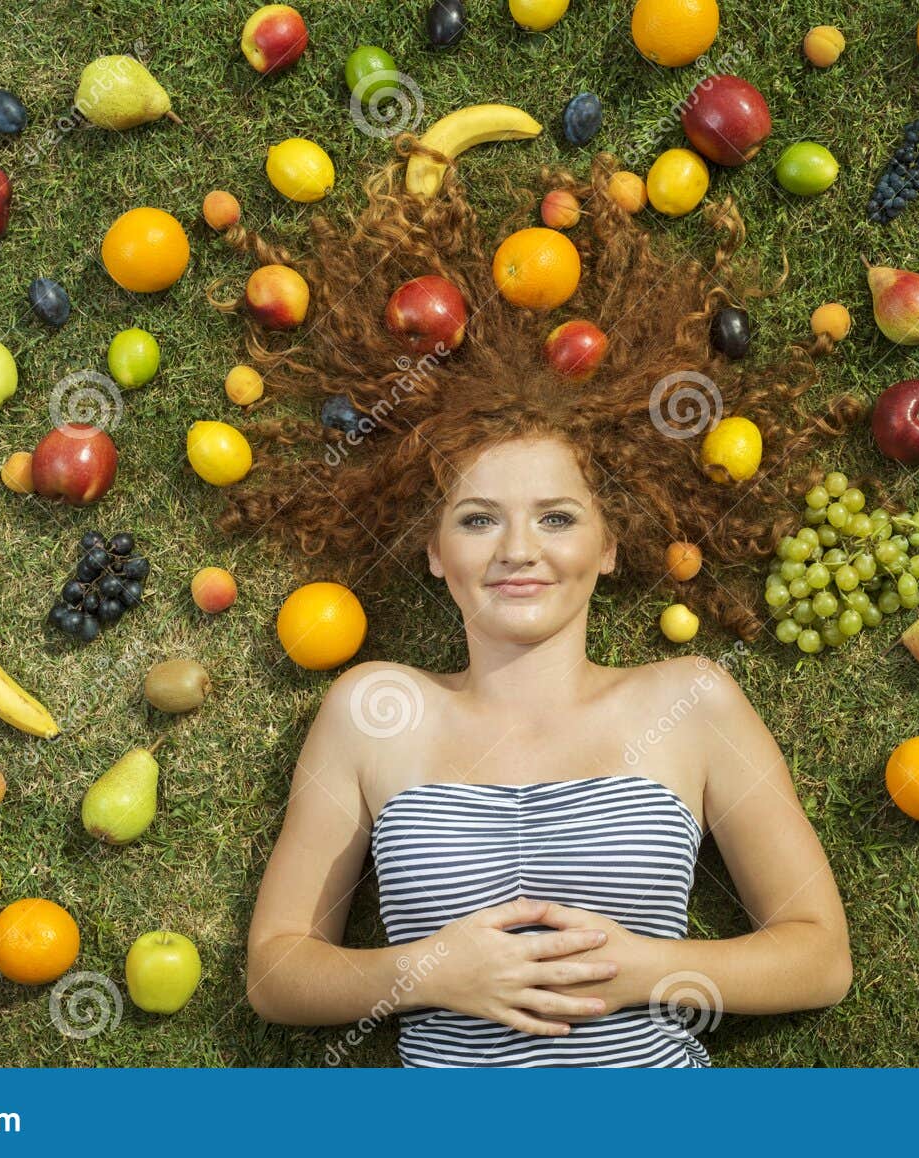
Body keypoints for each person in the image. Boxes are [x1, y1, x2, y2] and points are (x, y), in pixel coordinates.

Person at [217, 140, 861, 1066]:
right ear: (435, 554)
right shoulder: (374, 711)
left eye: (557, 518)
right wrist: (427, 973)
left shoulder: (690, 700)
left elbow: (820, 957)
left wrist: (643, 970)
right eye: (478, 520)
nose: (518, 549)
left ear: (608, 548)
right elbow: (278, 975)